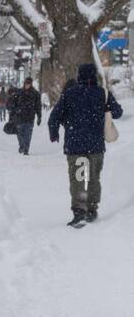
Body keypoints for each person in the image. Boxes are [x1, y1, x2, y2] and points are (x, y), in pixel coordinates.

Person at [48, 63, 124, 226]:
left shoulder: (69, 94)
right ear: (94, 76)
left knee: (78, 178)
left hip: (74, 145)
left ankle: (79, 211)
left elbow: (54, 117)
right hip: (95, 145)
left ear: (79, 76)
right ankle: (91, 209)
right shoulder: (102, 93)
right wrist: (104, 107)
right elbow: (118, 113)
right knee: (94, 178)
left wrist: (54, 133)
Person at [9, 77, 42, 154]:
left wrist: (39, 117)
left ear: (31, 84)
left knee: (28, 134)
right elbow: (12, 104)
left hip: (30, 117)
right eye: (26, 83)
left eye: (28, 84)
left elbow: (38, 106)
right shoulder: (19, 92)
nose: (27, 85)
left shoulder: (35, 94)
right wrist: (14, 112)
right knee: (20, 133)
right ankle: (22, 146)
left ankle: (26, 149)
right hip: (20, 117)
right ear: (24, 83)